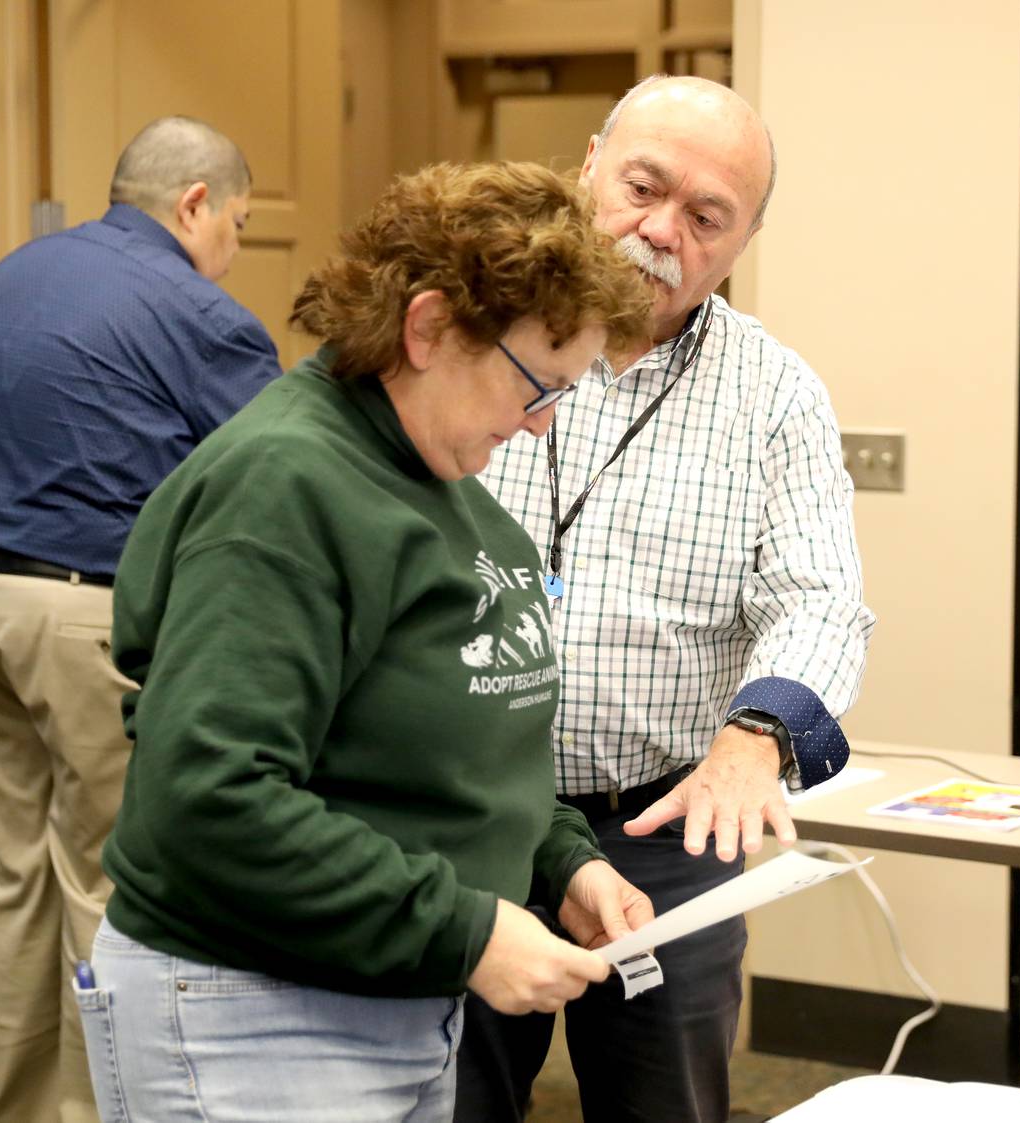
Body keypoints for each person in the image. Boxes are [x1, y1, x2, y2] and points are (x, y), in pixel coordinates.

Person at [74, 161, 657, 1123]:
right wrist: (466, 929)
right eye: (534, 386)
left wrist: (562, 860)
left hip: (393, 999)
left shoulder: (439, 478)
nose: (541, 425)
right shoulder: (286, 485)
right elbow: (208, 798)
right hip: (250, 1009)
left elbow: (451, 743)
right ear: (427, 328)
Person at [459, 76, 878, 1123]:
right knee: (445, 1097)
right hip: (469, 810)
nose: (660, 232)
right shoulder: (473, 342)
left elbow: (821, 601)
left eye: (706, 218)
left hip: (662, 827)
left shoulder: (774, 393)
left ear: (742, 243)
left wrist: (756, 736)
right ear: (588, 165)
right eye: (643, 188)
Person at [0, 116, 281, 1123]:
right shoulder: (199, 314)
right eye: (238, 224)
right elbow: (283, 467)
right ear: (195, 204)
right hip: (78, 617)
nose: (233, 250)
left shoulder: (9, 275)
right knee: (106, 887)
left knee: (11, 880)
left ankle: (26, 1112)